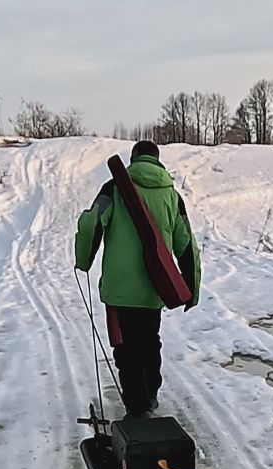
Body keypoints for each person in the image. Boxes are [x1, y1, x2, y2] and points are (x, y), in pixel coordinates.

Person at [74, 140, 201, 416]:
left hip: (120, 289)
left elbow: (91, 223)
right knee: (150, 340)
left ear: (133, 159)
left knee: (126, 347)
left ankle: (137, 407)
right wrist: (191, 286)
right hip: (154, 287)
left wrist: (83, 260)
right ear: (157, 160)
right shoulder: (172, 196)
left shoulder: (114, 187)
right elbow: (186, 244)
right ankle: (150, 395)